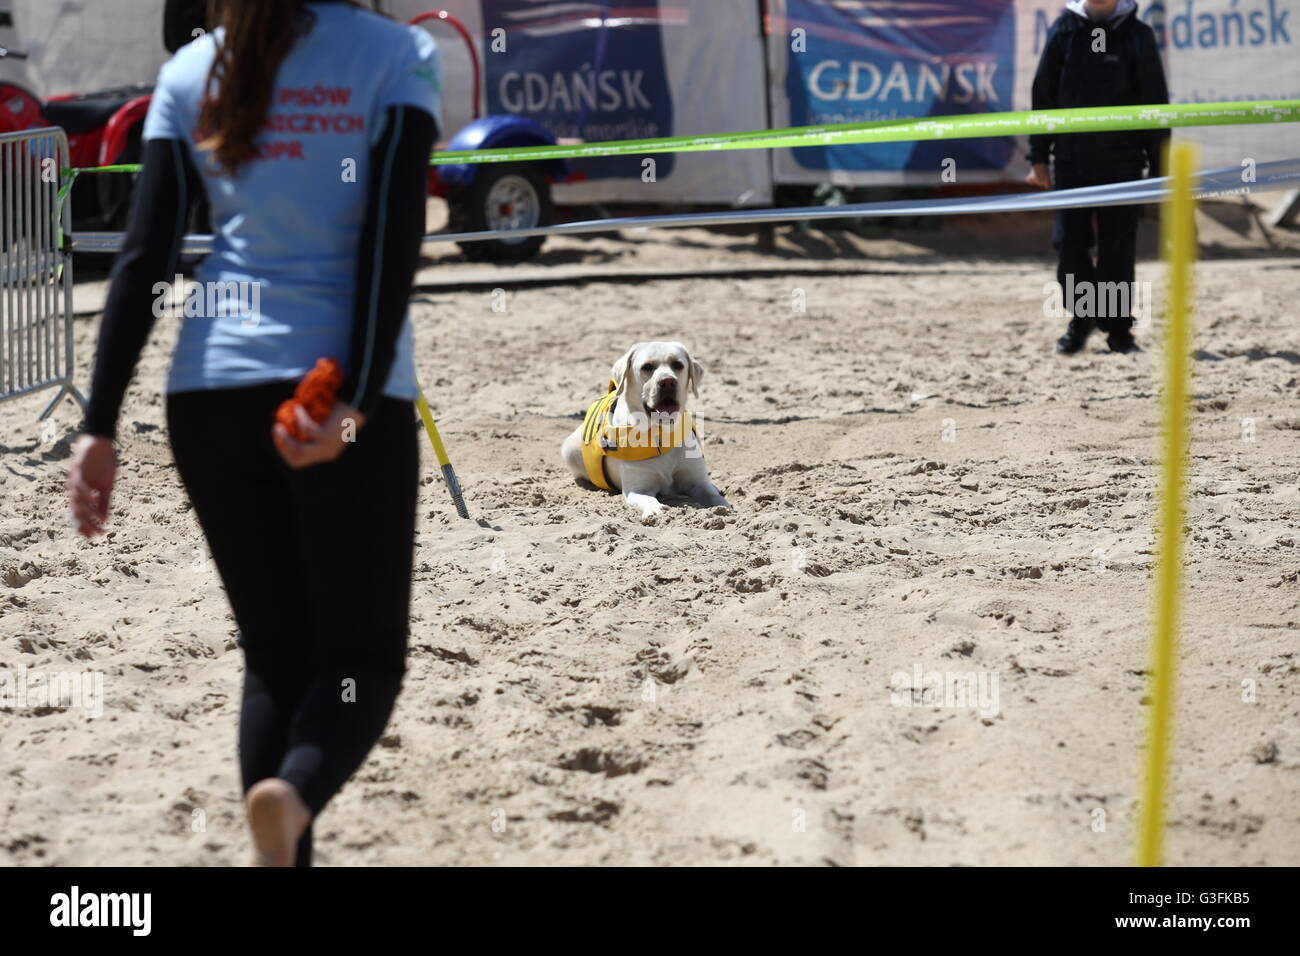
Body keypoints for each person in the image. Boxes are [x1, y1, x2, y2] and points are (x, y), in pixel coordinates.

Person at [66, 0, 441, 866]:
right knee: (364, 660)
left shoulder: (192, 70)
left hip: (208, 393)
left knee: (275, 660)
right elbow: (391, 238)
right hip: (325, 394)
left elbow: (145, 255)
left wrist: (99, 422)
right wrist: (354, 403)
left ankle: (282, 835)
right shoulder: (397, 53)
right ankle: (295, 792)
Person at [1026, 0, 1169, 355]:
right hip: (1072, 163)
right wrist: (1039, 157)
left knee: (1117, 251)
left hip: (1122, 164)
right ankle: (1084, 317)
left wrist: (1159, 168)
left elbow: (1155, 104)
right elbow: (1044, 96)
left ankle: (1119, 331)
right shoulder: (1063, 30)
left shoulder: (1138, 36)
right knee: (1068, 244)